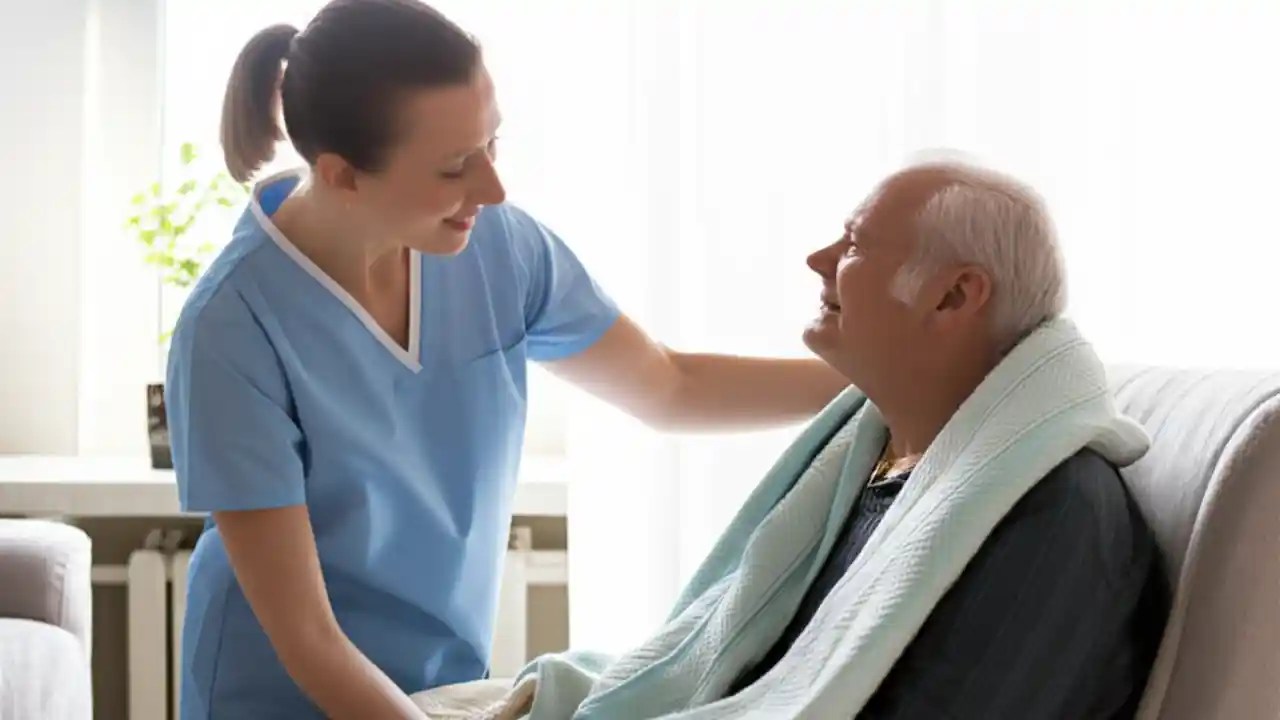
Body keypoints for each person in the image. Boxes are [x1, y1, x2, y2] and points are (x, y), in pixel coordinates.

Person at [164, 1, 848, 718]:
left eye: (493, 144)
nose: (492, 188)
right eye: (456, 165)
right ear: (341, 175)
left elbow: (669, 387)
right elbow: (308, 639)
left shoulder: (500, 247)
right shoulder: (231, 329)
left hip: (443, 684)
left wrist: (876, 379)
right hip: (283, 696)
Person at [725, 160, 1170, 717]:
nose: (819, 261)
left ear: (953, 297)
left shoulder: (1054, 510)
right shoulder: (867, 471)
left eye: (855, 245)